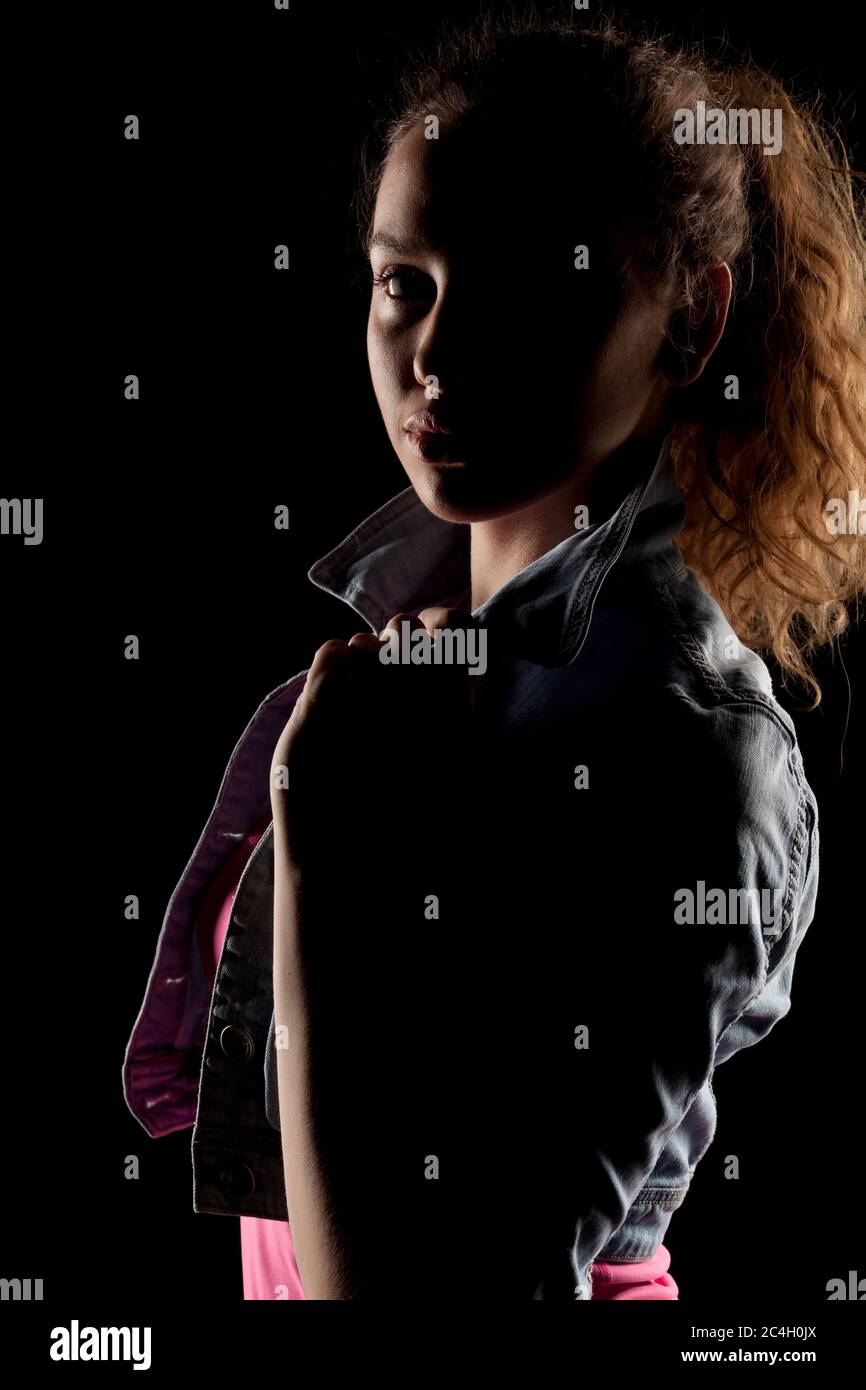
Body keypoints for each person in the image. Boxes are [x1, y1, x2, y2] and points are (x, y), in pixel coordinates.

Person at [123, 12, 865, 1300]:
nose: (437, 355)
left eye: (527, 282)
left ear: (691, 321)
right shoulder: (396, 655)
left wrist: (322, 834)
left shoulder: (685, 753)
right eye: (405, 282)